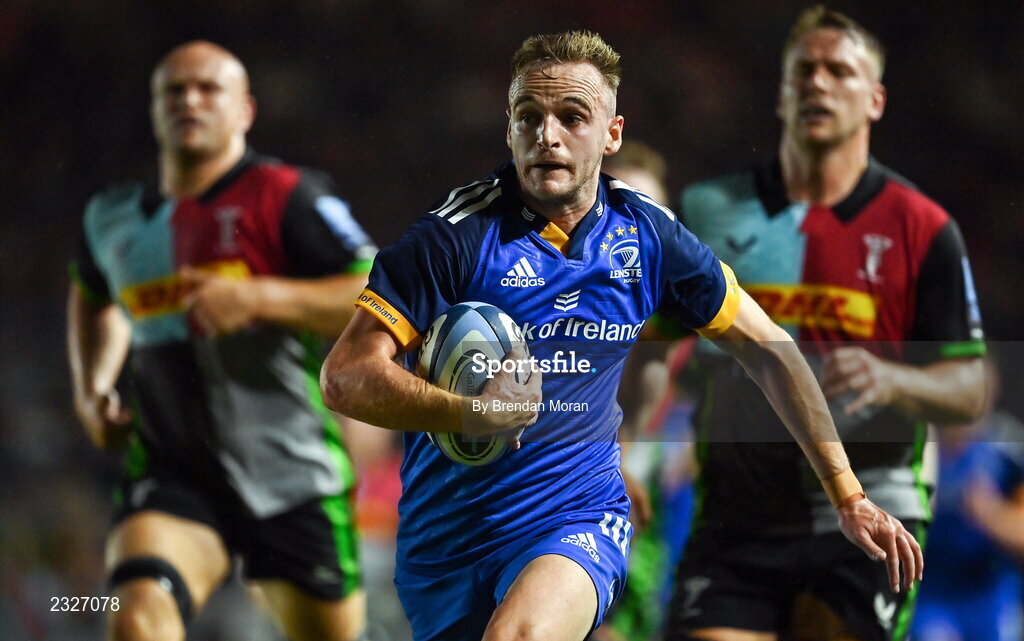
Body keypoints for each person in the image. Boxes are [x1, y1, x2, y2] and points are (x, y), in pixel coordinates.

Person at [320, 30, 919, 641]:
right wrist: (470, 412)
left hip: (577, 520)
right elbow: (344, 378)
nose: (546, 135)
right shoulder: (451, 238)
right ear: (508, 129)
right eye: (528, 116)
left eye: (571, 116)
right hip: (444, 544)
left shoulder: (650, 237)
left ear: (612, 133)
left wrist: (848, 493)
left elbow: (768, 350)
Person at [663, 7, 987, 641]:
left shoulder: (922, 229)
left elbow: (969, 388)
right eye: (803, 70)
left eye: (839, 71)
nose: (818, 83)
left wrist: (891, 378)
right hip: (738, 513)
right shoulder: (706, 212)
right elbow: (651, 355)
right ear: (781, 91)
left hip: (875, 507)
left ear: (876, 98)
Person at [67, 41, 376, 641]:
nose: (189, 100)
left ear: (245, 111)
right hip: (173, 471)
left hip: (292, 479)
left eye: (209, 89)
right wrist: (91, 388)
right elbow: (93, 294)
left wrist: (261, 299)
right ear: (154, 110)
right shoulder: (112, 217)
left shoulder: (289, 196)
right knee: (136, 617)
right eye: (173, 90)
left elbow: (379, 289)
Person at [911, 359, 1024, 641]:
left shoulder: (1008, 451)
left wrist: (990, 513)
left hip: (988, 596)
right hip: (932, 597)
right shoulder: (917, 446)